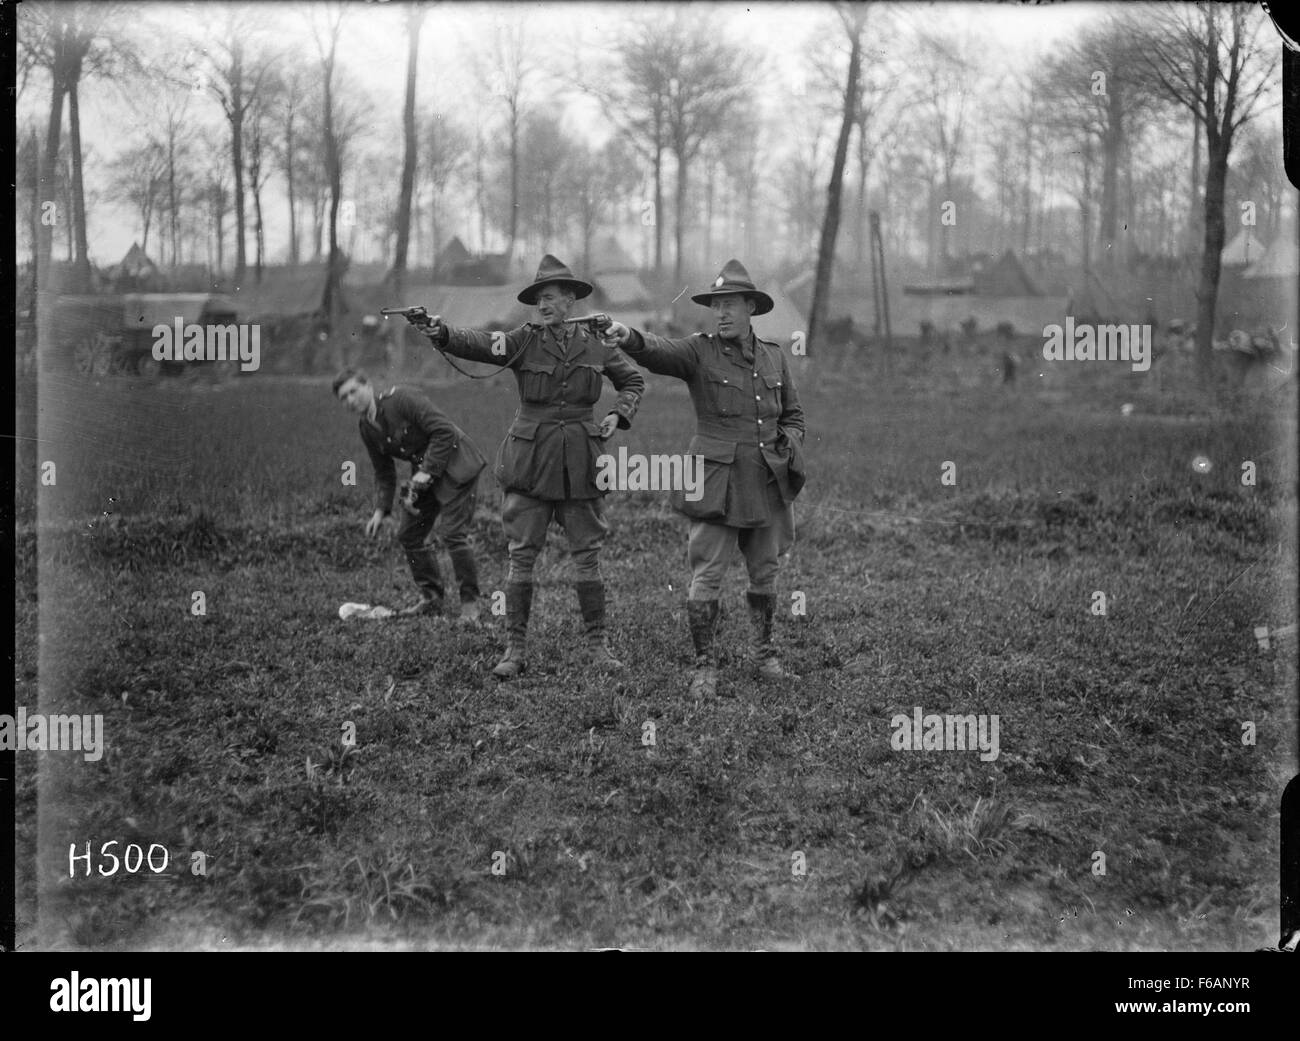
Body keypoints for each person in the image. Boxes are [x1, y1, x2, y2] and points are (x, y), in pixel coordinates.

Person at [418, 255, 645, 678]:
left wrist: (619, 414)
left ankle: (598, 646)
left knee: (587, 555)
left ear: (571, 301)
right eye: (539, 298)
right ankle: (514, 649)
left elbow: (633, 380)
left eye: (552, 298)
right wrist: (443, 333)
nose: (543, 305)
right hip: (529, 460)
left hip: (581, 459)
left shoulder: (596, 342)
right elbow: (481, 344)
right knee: (521, 556)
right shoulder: (523, 339)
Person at [601, 259, 806, 697]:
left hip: (766, 481)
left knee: (765, 571)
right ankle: (704, 666)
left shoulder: (773, 355)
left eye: (731, 304)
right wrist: (629, 337)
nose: (722, 313)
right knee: (707, 574)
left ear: (751, 306)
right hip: (714, 479)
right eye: (717, 306)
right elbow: (658, 351)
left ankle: (765, 655)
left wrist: (788, 442)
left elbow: (793, 414)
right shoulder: (699, 350)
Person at [333, 367, 486, 623]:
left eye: (353, 391)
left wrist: (426, 472)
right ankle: (431, 599)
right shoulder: (367, 427)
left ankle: (470, 606)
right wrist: (381, 510)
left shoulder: (401, 400)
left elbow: (444, 431)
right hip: (424, 477)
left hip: (457, 465)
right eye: (344, 398)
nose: (351, 400)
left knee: (453, 533)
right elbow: (384, 471)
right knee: (409, 534)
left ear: (368, 386)